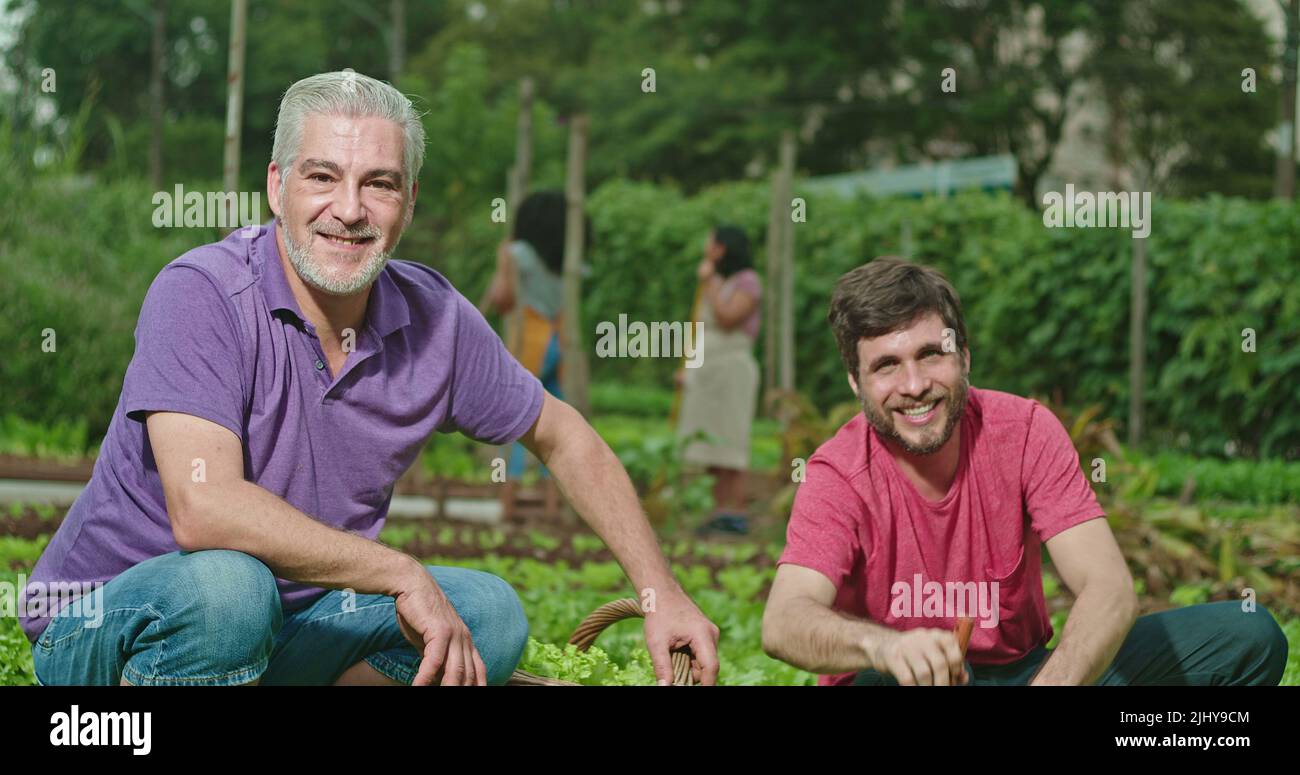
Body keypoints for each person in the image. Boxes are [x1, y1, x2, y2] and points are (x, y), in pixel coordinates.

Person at [20, 71, 719, 687]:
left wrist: (662, 592)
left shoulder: (434, 318)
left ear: (407, 202)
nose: (349, 209)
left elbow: (563, 434)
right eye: (322, 176)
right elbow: (206, 509)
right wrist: (398, 572)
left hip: (289, 625)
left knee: (489, 614)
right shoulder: (202, 292)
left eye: (378, 183)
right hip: (108, 621)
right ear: (276, 185)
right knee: (230, 589)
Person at [761, 256, 1289, 685]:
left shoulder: (1024, 430)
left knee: (1247, 635)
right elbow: (784, 621)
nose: (915, 384)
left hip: (1027, 676)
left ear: (964, 357)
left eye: (931, 354)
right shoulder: (838, 472)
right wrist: (886, 645)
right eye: (886, 365)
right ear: (856, 383)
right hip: (900, 681)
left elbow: (1109, 588)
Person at [480, 190, 571, 522]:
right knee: (556, 422)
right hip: (559, 341)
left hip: (531, 340)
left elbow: (502, 298)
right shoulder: (564, 260)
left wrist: (503, 262)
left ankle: (509, 501)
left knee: (516, 420)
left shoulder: (519, 254)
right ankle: (551, 506)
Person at [676, 225, 762, 535]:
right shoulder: (719, 281)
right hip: (707, 371)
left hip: (732, 371)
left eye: (710, 243)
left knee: (731, 439)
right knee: (709, 442)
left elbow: (727, 317)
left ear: (723, 248)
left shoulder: (747, 282)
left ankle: (736, 511)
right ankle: (717, 510)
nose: (706, 248)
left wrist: (709, 281)